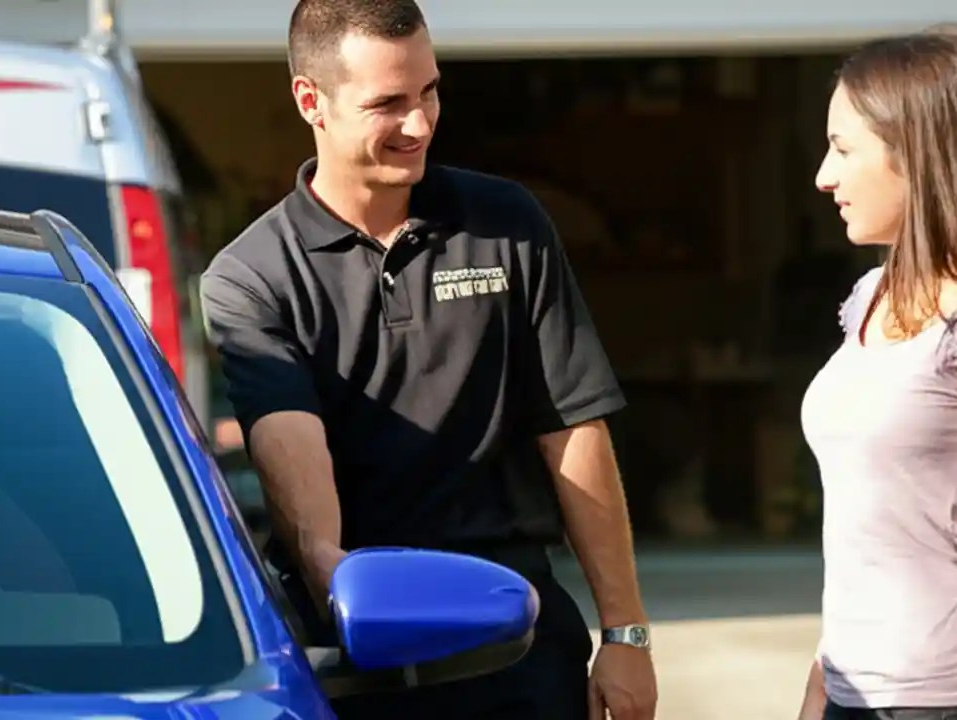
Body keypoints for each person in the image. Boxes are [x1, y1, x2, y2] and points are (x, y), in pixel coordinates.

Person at [198, 1, 657, 718]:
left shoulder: (508, 223)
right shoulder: (253, 276)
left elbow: (572, 428)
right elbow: (300, 478)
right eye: (387, 104)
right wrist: (347, 596)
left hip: (520, 645)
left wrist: (626, 632)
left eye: (429, 92)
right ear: (310, 101)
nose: (419, 125)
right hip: (364, 660)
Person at [798, 25, 957, 720]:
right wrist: (820, 684)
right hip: (848, 693)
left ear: (920, 155)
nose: (824, 176)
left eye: (843, 148)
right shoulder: (869, 300)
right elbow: (867, 527)